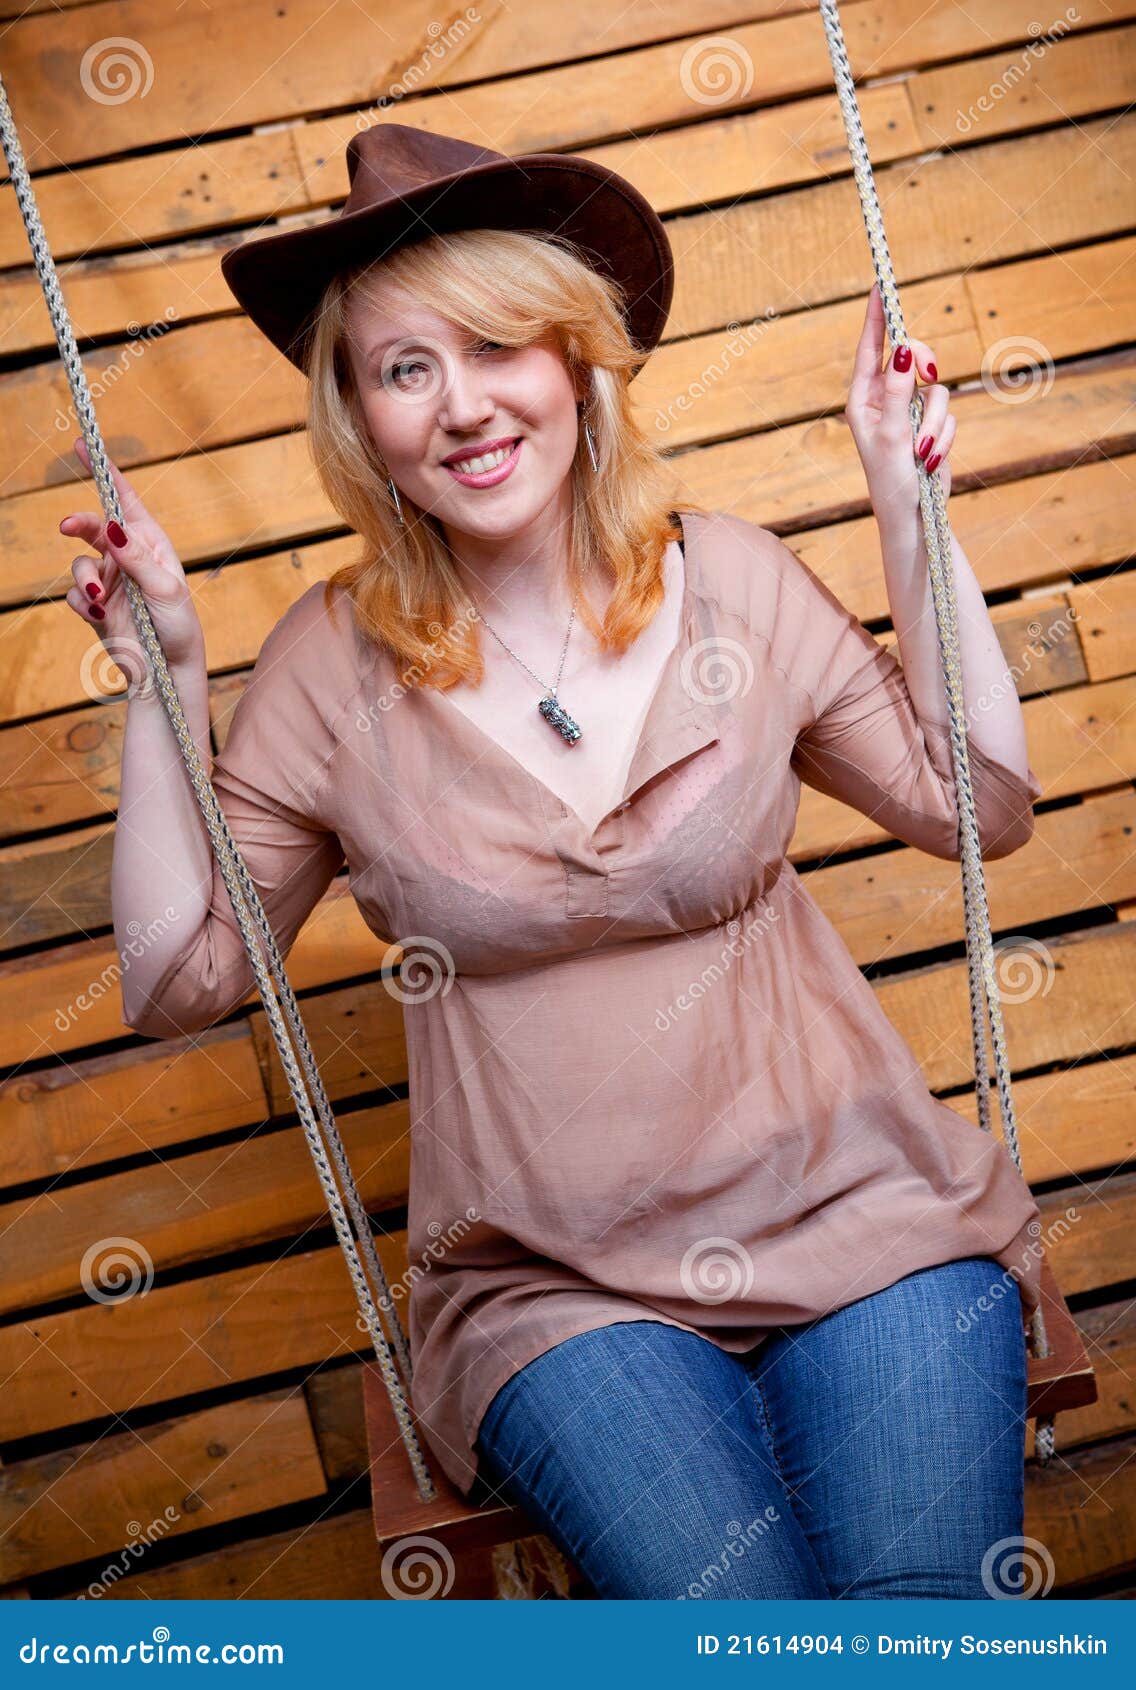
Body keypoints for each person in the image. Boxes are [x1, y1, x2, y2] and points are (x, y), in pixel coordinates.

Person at [60, 125, 1046, 1600]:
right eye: (407, 369)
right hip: (555, 1294)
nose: (464, 406)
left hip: (865, 1221)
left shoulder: (733, 578)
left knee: (923, 1624)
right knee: (734, 1625)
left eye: (498, 343)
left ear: (577, 356)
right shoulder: (329, 667)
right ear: (362, 418)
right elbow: (181, 977)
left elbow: (977, 806)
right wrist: (162, 679)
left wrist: (910, 514)